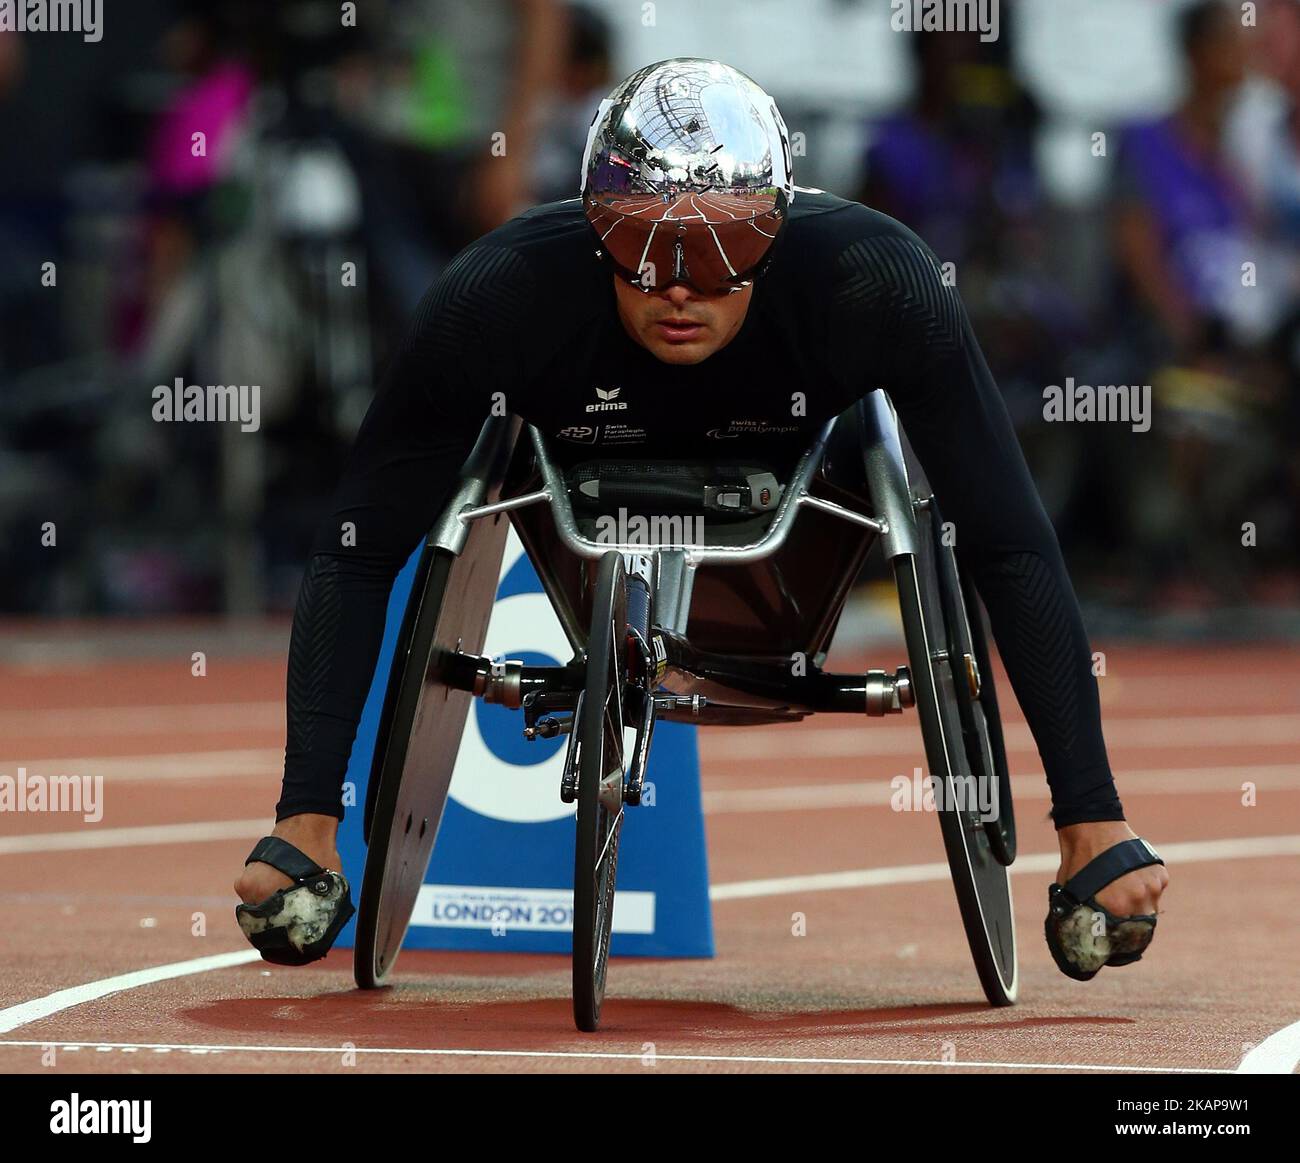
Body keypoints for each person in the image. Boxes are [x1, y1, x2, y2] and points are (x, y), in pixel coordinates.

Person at [234, 58, 1169, 981]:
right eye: (643, 246)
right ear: (596, 228)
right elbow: (358, 548)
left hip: (800, 514)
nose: (681, 286)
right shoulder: (500, 294)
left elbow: (1005, 539)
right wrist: (305, 814)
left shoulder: (875, 281)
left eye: (724, 251)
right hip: (578, 494)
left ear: (776, 227)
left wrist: (1092, 814)